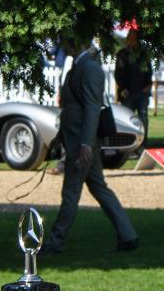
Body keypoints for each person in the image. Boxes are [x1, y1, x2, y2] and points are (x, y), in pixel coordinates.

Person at [47, 26, 138, 255]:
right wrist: (60, 138)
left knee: (70, 193)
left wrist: (86, 143)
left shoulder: (89, 68)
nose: (64, 46)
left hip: (82, 143)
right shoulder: (79, 66)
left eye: (67, 42)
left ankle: (56, 241)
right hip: (76, 139)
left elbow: (91, 110)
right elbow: (72, 109)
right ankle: (128, 235)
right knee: (99, 188)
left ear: (75, 43)